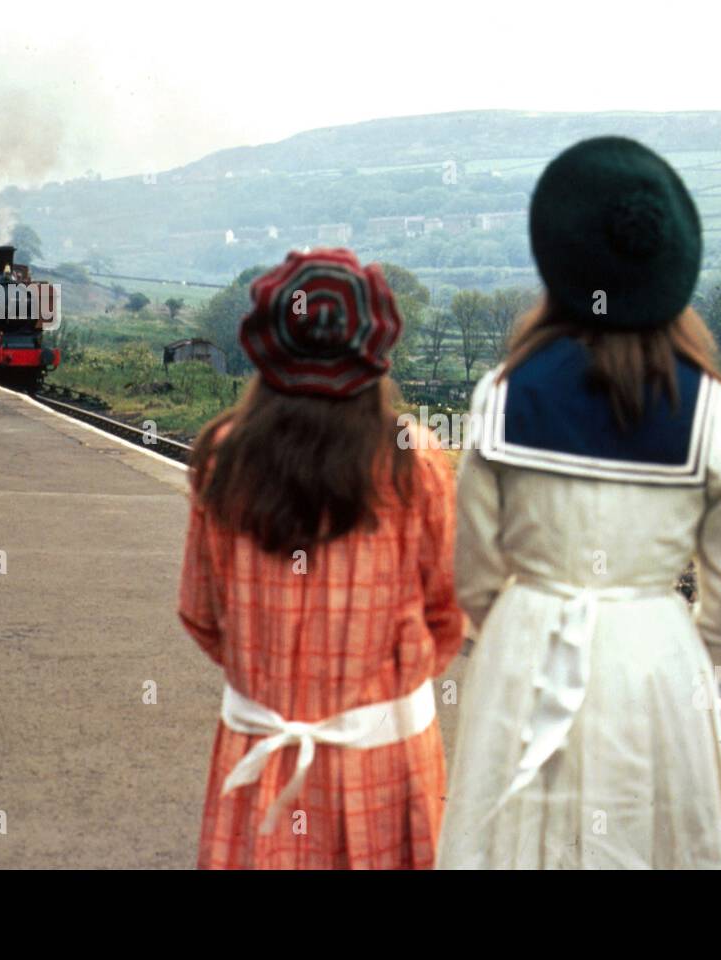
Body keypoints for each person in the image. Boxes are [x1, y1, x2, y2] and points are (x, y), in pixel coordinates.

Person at [437, 137, 721, 869]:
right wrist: (668, 646)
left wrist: (527, 622)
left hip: (526, 647)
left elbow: (477, 577)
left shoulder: (499, 396)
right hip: (656, 661)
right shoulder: (719, 412)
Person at [178, 248, 464, 869]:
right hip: (388, 766)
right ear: (373, 352)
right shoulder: (416, 463)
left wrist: (274, 680)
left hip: (259, 754)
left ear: (268, 348)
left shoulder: (221, 458)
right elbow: (447, 615)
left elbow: (201, 615)